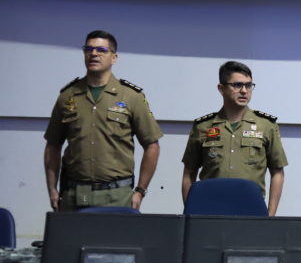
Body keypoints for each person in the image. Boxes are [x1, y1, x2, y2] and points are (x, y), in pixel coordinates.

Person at [43, 30, 162, 211]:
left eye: (101, 50)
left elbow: (152, 145)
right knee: (73, 240)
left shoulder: (131, 96)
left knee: (113, 240)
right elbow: (53, 145)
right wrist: (52, 189)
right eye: (89, 49)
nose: (94, 54)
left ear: (113, 57)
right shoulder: (68, 96)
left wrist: (140, 190)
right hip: (75, 195)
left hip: (117, 196)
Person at [181, 61, 287, 216]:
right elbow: (188, 174)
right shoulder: (203, 127)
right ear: (221, 88)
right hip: (210, 208)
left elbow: (277, 172)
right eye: (237, 85)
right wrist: (191, 212)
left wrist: (269, 216)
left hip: (251, 209)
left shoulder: (266, 126)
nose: (244, 91)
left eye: (249, 85)